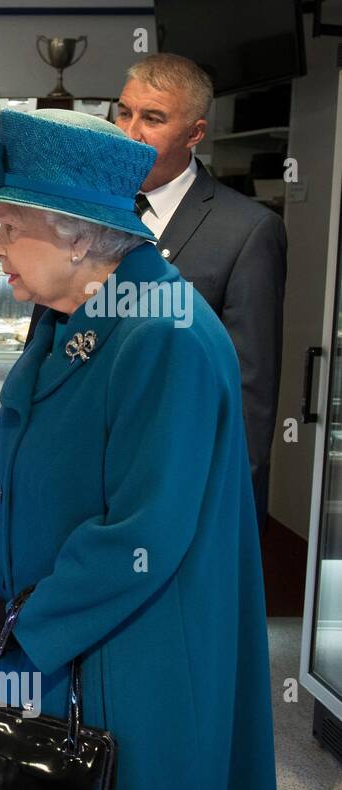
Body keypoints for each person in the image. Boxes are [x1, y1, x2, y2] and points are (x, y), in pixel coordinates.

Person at [0, 109, 280, 790]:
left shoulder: (167, 337)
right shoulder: (65, 314)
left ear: (75, 234)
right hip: (50, 644)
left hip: (124, 659)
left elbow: (143, 531)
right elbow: (32, 461)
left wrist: (24, 623)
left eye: (8, 225)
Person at [116, 53, 286, 530]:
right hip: (94, 472)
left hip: (184, 477)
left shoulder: (248, 229)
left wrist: (231, 507)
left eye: (153, 119)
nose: (130, 132)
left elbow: (251, 387)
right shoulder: (89, 210)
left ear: (194, 133)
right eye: (124, 111)